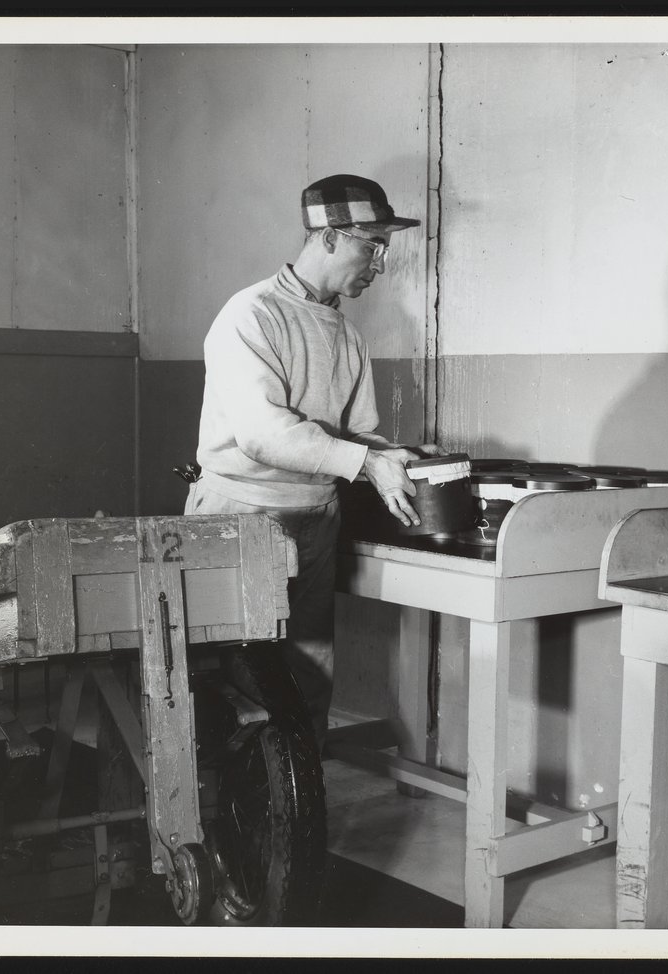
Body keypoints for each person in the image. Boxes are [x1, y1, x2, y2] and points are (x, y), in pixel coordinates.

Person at [184, 173, 442, 752]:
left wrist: (391, 454)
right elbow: (262, 435)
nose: (380, 261)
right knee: (235, 675)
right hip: (243, 516)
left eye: (384, 247)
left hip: (314, 518)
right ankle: (230, 810)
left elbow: (354, 434)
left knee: (309, 670)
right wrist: (364, 461)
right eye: (369, 245)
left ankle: (298, 812)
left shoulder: (346, 335)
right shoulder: (250, 315)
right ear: (327, 237)